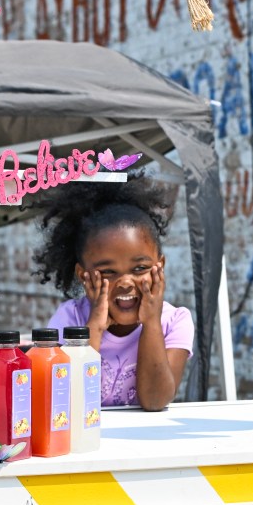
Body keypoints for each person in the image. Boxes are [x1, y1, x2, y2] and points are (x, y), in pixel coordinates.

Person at [34, 175, 193, 410]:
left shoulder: (174, 321)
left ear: (160, 266)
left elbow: (156, 400)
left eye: (140, 268)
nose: (126, 282)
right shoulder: (70, 320)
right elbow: (64, 399)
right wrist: (94, 328)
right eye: (108, 271)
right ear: (83, 275)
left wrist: (151, 323)